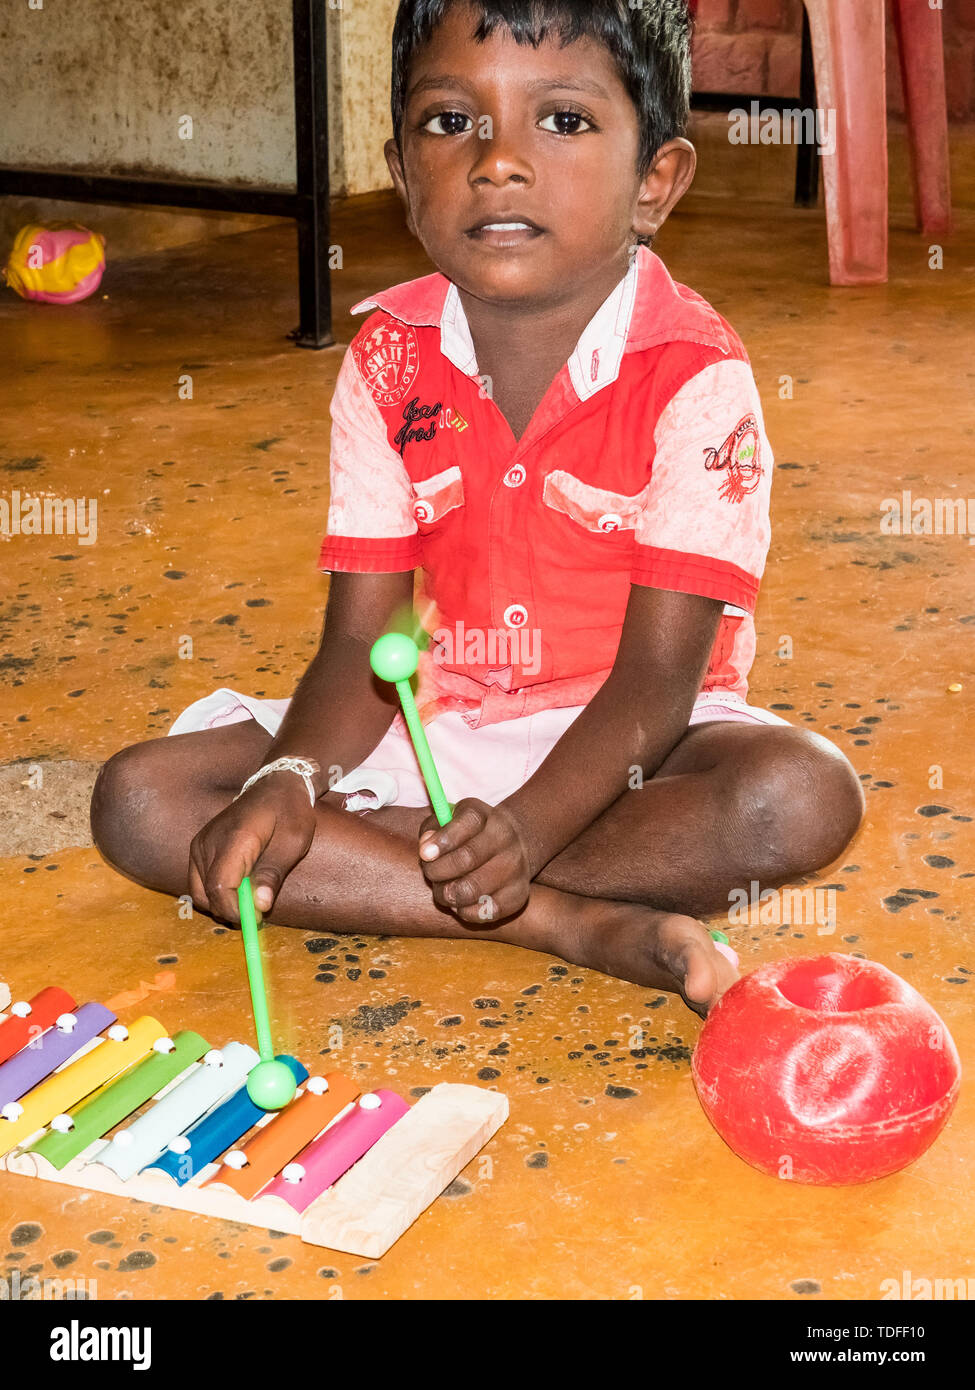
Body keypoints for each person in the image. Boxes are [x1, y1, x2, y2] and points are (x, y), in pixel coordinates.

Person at [91, 0, 864, 1016]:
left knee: (799, 796)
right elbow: (362, 649)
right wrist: (295, 772)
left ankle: (409, 865)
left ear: (657, 183)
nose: (498, 161)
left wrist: (527, 830)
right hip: (439, 719)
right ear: (405, 175)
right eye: (452, 124)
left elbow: (658, 682)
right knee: (140, 802)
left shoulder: (693, 374)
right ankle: (573, 921)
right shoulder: (385, 361)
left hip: (637, 742)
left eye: (565, 121)